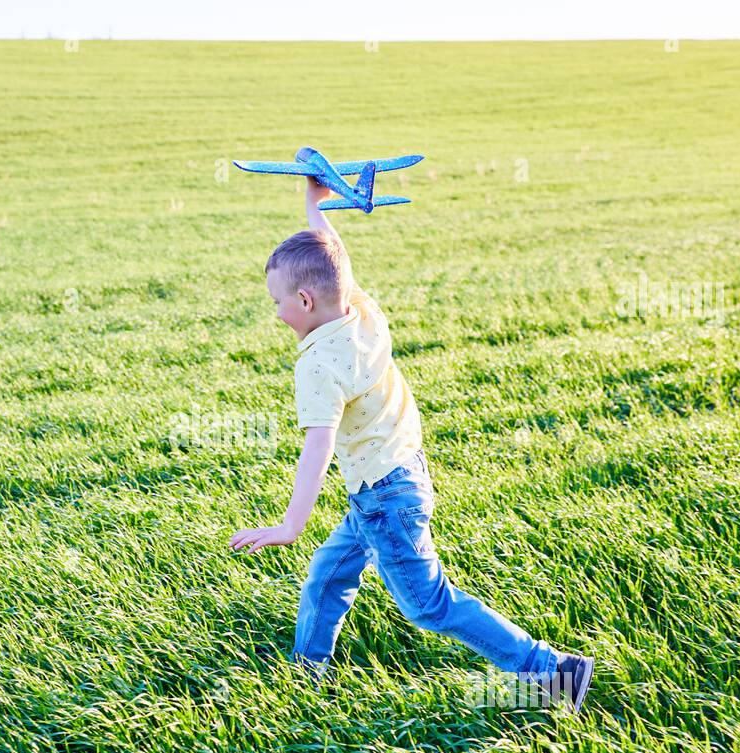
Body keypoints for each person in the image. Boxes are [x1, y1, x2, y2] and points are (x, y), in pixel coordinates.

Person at [228, 176, 594, 712]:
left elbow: (318, 448)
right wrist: (315, 208)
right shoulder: (362, 315)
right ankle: (305, 677)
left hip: (384, 498)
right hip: (398, 476)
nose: (276, 311)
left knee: (427, 604)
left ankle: (553, 671)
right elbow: (338, 266)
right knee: (328, 577)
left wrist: (290, 525)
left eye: (277, 301)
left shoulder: (317, 364)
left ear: (304, 300)